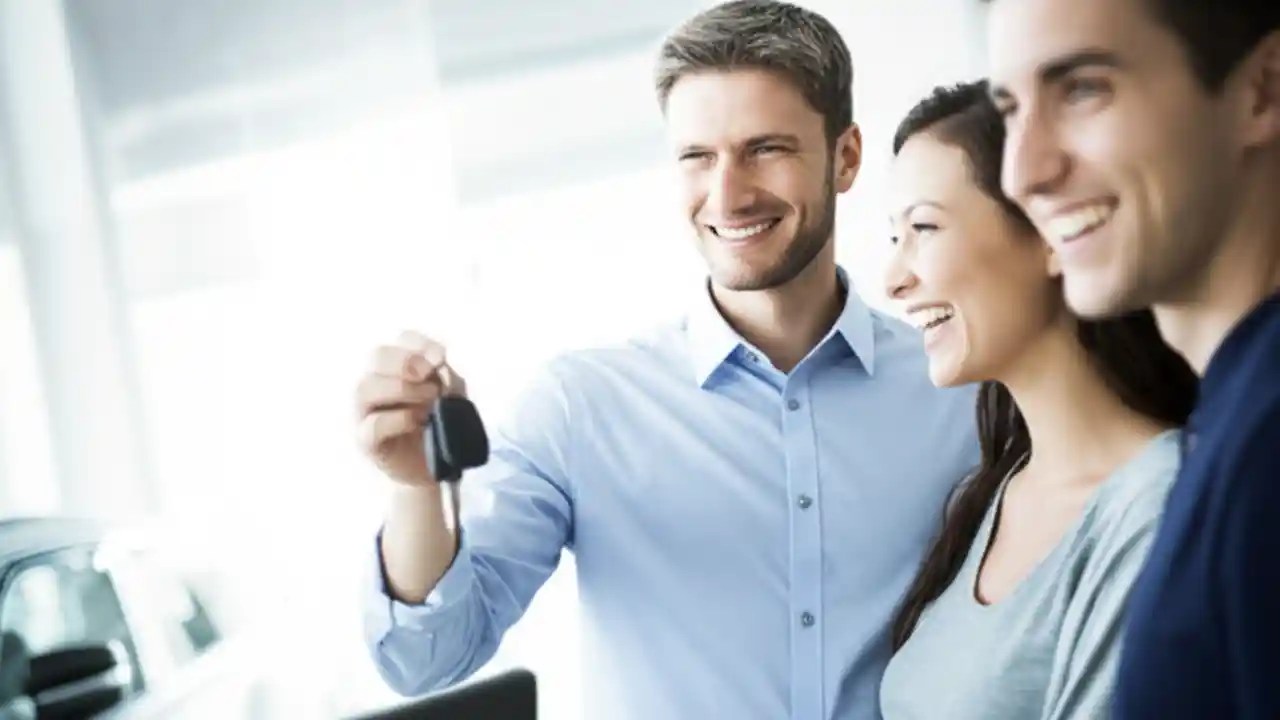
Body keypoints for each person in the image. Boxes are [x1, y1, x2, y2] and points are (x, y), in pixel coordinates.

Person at [357, 2, 978, 718]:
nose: (728, 194)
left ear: (845, 157)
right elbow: (426, 657)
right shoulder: (579, 407)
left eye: (765, 148)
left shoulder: (961, 394)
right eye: (697, 157)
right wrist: (414, 489)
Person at [985, 0, 1280, 716]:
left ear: (1263, 89)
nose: (1023, 172)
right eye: (1009, 111)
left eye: (1083, 88)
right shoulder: (1234, 419)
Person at [876, 81, 1197, 719]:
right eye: (895, 238)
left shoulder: (1154, 504)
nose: (894, 278)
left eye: (925, 228)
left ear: (1052, 234)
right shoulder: (993, 492)